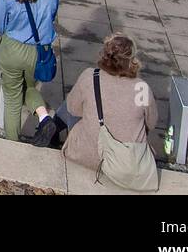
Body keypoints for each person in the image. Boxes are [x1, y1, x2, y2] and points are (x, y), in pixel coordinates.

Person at [43, 34, 159, 169]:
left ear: (104, 54)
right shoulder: (141, 87)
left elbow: (73, 109)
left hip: (86, 155)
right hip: (127, 163)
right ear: (132, 60)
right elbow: (151, 123)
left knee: (71, 102)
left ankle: (53, 131)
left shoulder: (90, 76)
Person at [0, 0, 60, 143]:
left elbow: (0, 25)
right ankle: (43, 116)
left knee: (13, 98)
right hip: (39, 51)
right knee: (30, 89)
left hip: (12, 49)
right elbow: (53, 15)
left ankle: (13, 147)